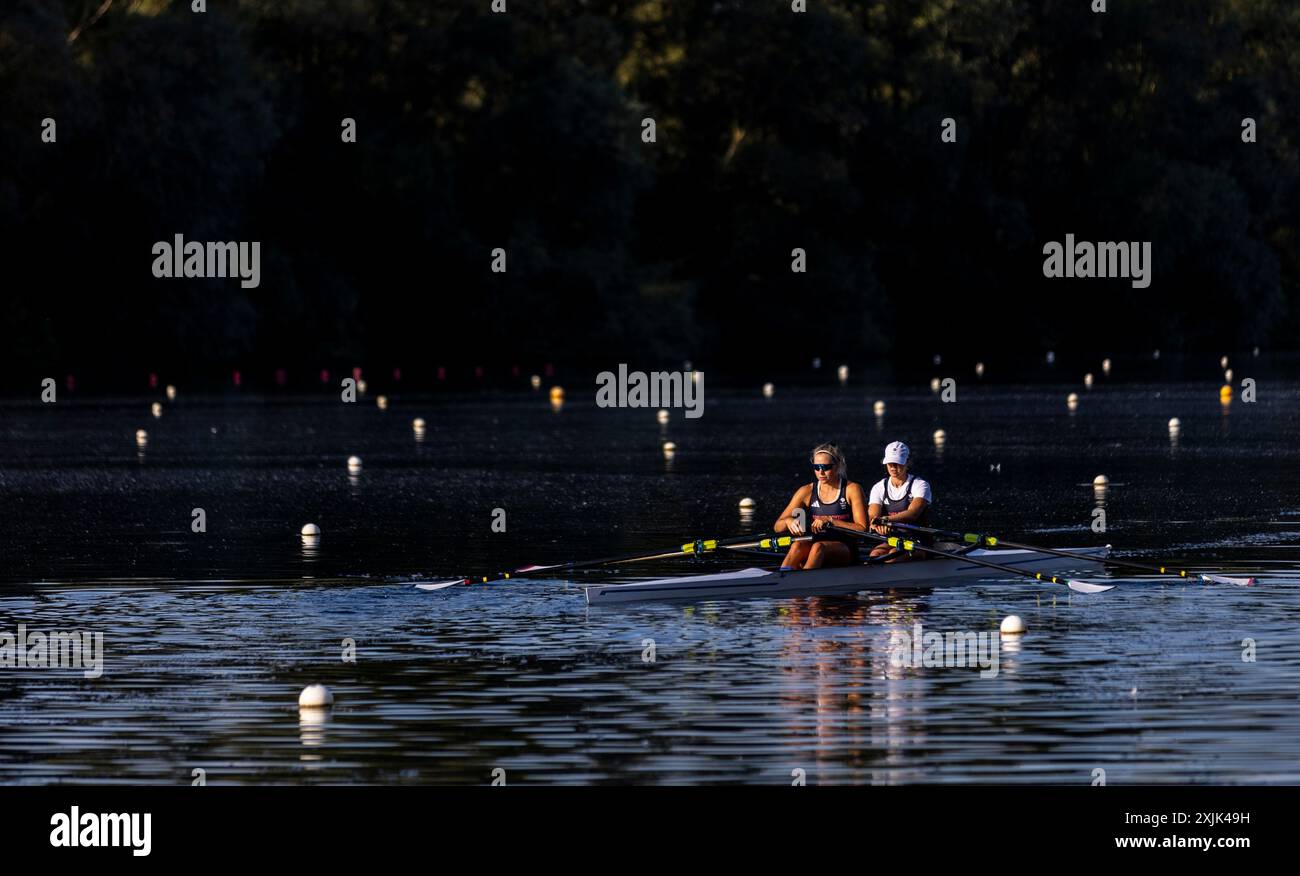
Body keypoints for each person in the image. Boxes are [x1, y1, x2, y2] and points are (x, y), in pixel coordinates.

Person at [773, 443, 868, 570]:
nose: (821, 472)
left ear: (837, 466)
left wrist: (830, 520)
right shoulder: (806, 492)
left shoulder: (852, 489)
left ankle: (804, 583)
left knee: (818, 547)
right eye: (816, 467)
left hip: (845, 548)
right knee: (797, 545)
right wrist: (788, 521)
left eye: (826, 467)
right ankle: (783, 578)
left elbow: (862, 529)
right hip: (816, 544)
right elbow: (777, 527)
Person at [867, 441, 933, 561]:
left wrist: (886, 520)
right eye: (889, 463)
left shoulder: (920, 485)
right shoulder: (879, 487)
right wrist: (876, 523)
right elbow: (873, 514)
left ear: (907, 463)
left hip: (919, 541)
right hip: (893, 540)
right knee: (875, 555)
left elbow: (912, 514)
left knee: (893, 555)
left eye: (897, 463)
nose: (893, 467)